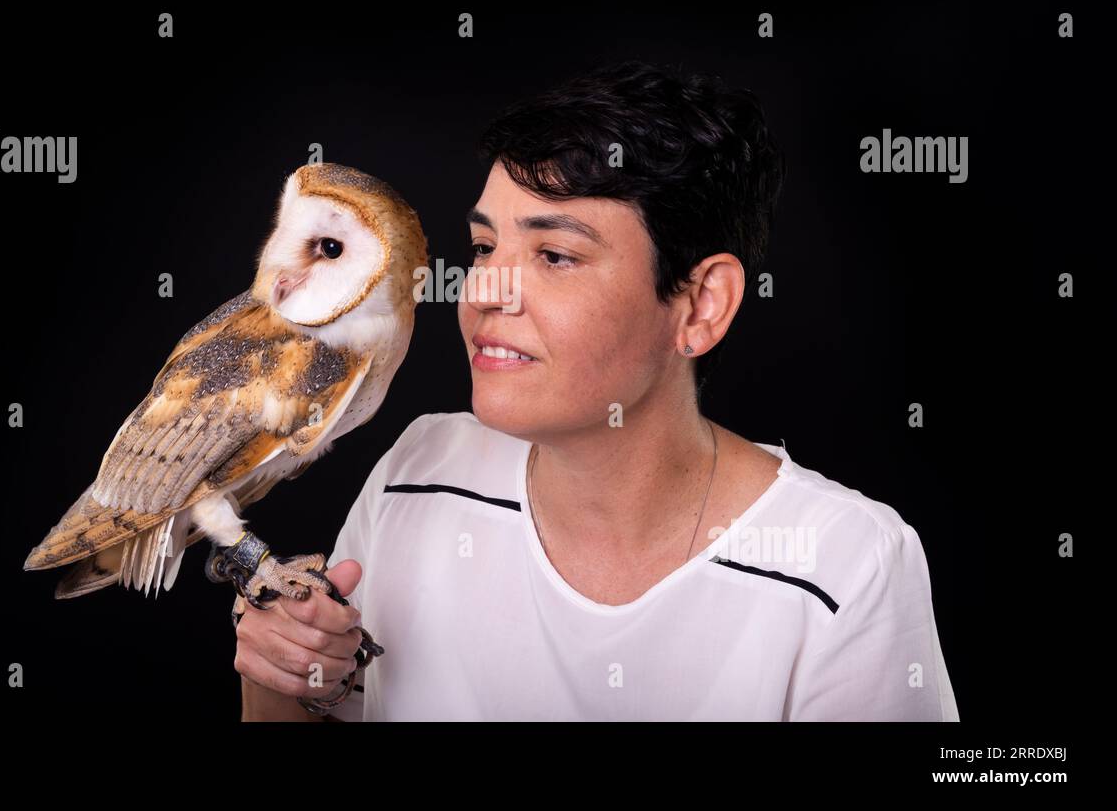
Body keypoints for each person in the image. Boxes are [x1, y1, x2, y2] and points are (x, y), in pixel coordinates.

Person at [234, 59, 959, 721]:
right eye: (485, 246)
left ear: (702, 306)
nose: (485, 289)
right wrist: (283, 676)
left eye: (555, 255)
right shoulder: (417, 472)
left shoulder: (844, 565)